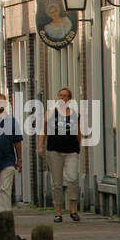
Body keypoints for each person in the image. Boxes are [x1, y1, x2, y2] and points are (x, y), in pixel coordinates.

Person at [40, 87, 81, 222]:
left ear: (69, 99)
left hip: (71, 151)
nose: (62, 98)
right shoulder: (50, 113)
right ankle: (58, 212)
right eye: (60, 95)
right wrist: (40, 146)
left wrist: (78, 147)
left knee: (73, 178)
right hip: (54, 151)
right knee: (57, 183)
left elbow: (78, 132)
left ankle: (73, 210)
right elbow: (43, 131)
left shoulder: (74, 114)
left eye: (65, 96)